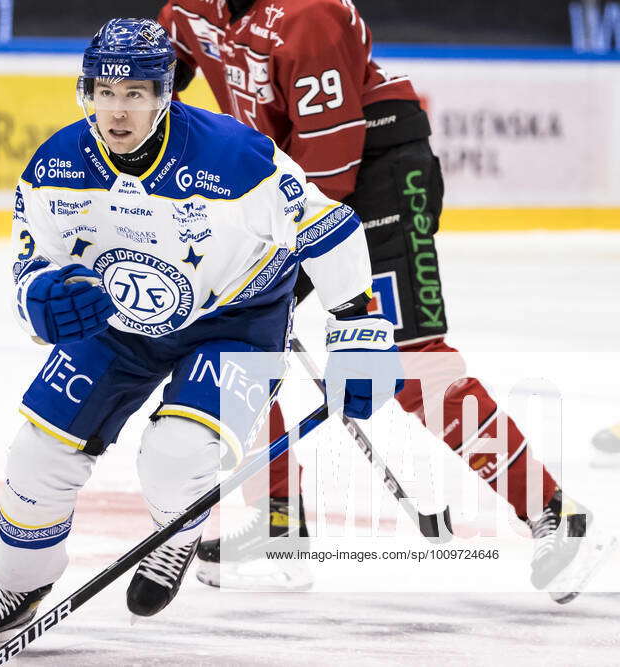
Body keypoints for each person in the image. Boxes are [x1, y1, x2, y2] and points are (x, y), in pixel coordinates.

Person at [0, 17, 401, 648]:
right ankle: (19, 586)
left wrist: (357, 322)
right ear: (86, 91)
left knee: (176, 460)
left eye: (137, 94)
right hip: (119, 321)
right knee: (36, 454)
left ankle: (178, 535)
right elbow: (31, 263)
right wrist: (39, 300)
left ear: (166, 93)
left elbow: (329, 226)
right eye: (106, 92)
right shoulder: (56, 165)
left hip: (235, 322)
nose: (118, 111)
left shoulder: (236, 157)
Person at [158, 0, 600, 600]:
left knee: (415, 366)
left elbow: (333, 169)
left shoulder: (309, 15)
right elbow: (153, 82)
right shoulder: (186, 9)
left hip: (377, 173)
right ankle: (277, 525)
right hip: (293, 186)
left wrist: (269, 258)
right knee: (239, 344)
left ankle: (556, 515)